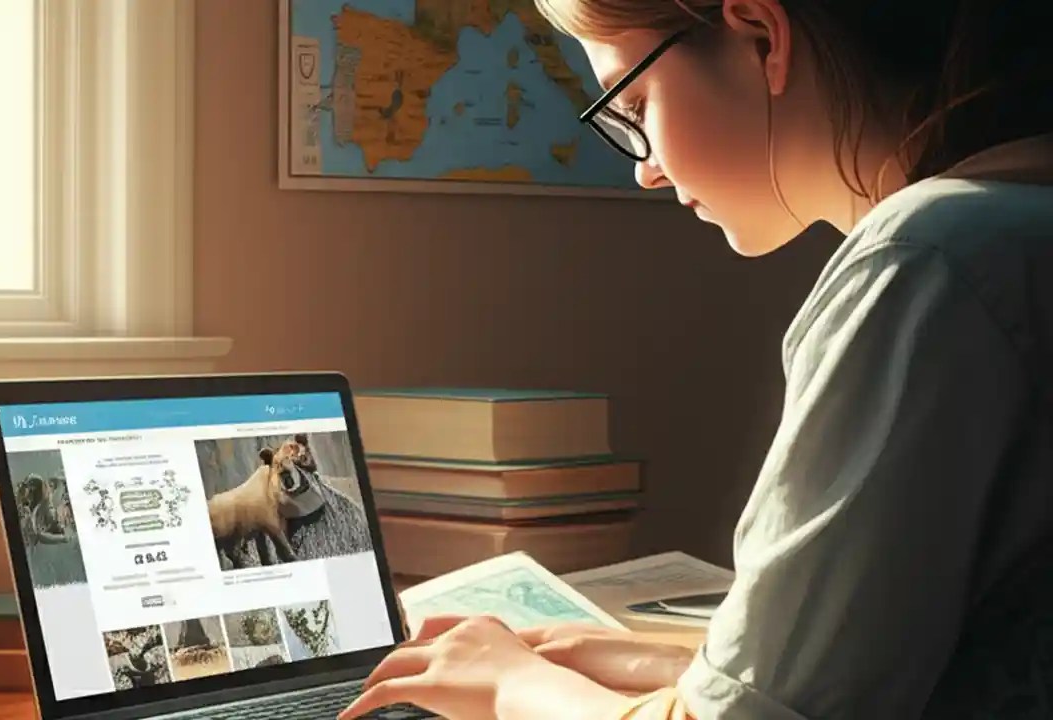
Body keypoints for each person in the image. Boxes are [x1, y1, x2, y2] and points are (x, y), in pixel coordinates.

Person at [339, 0, 1053, 718]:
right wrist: (666, 662)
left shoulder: (927, 263)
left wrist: (505, 685)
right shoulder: (1014, 221)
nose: (644, 171)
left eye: (636, 103)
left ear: (762, 37)